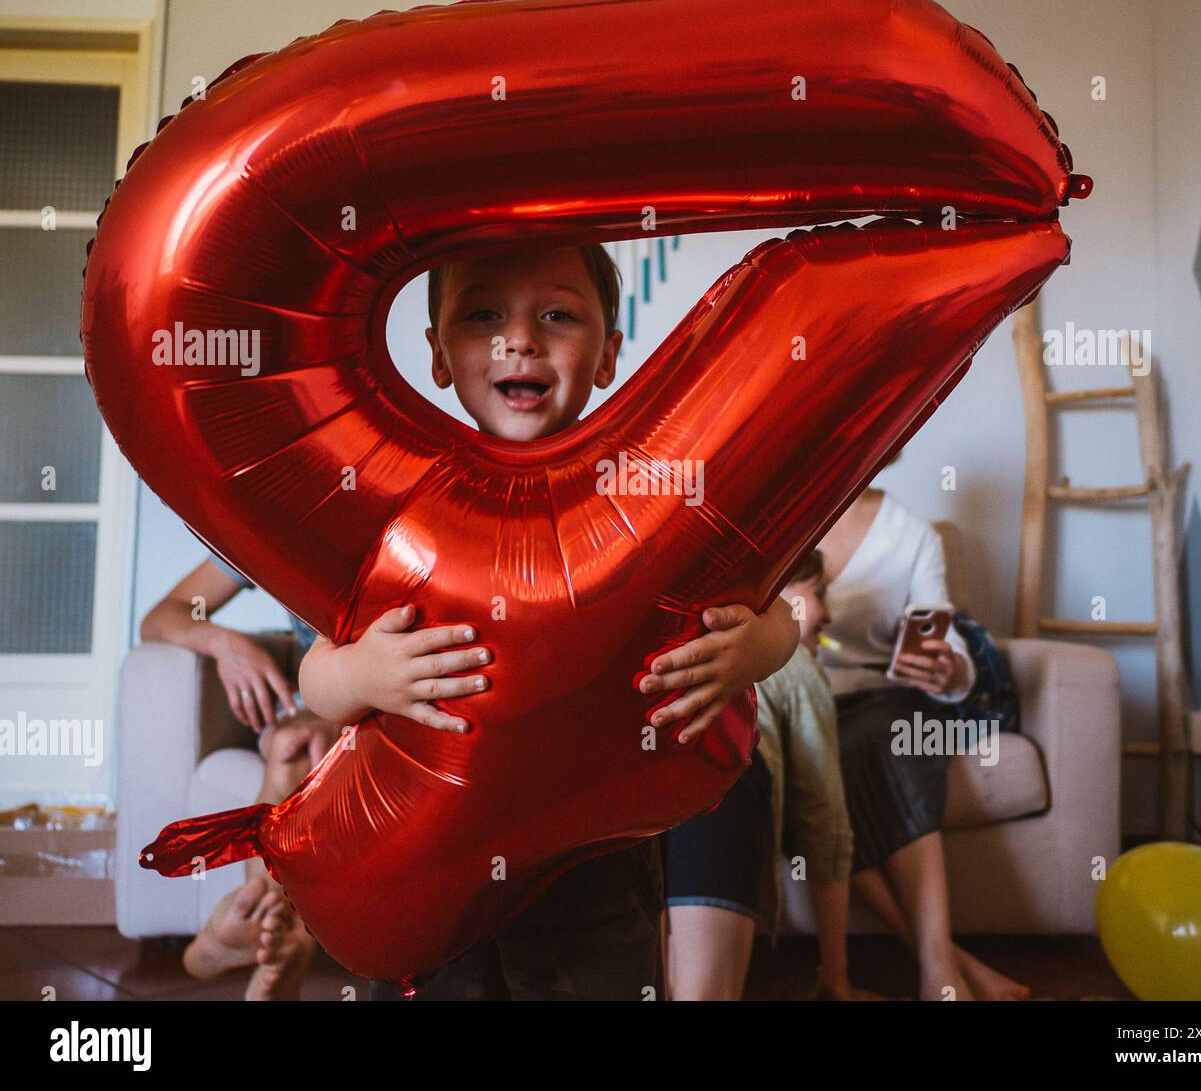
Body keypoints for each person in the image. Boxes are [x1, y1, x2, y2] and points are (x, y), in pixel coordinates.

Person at [298, 242, 800, 1001]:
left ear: (609, 356)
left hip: (593, 863)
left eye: (558, 316)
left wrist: (755, 647)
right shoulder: (404, 502)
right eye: (483, 315)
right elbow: (318, 676)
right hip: (432, 861)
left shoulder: (642, 488)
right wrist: (365, 674)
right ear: (437, 354)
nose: (520, 340)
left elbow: (779, 612)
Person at [817, 483, 1030, 1001]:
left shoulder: (911, 535)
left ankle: (939, 969)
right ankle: (948, 965)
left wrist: (949, 670)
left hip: (887, 697)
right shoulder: (783, 515)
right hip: (806, 697)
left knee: (902, 738)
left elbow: (943, 634)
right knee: (817, 772)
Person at [662, 547, 880, 1001]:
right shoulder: (797, 665)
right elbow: (823, 822)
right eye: (819, 592)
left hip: (636, 785)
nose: (828, 614)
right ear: (778, 594)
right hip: (721, 779)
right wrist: (836, 975)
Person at [139, 559, 339, 999]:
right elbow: (162, 615)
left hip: (381, 702)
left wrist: (344, 716)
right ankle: (272, 931)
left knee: (296, 744)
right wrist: (226, 644)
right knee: (289, 746)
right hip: (314, 713)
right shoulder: (268, 533)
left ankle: (255, 940)